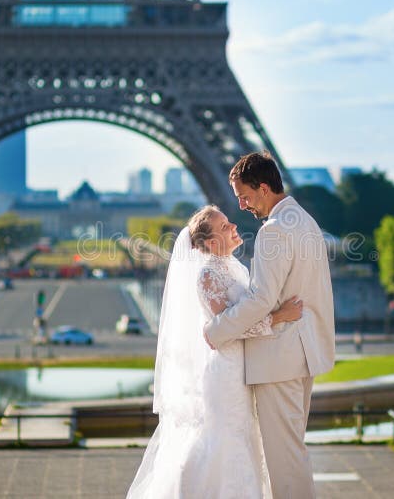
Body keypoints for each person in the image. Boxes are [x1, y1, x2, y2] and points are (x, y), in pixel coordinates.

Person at [127, 206, 304, 498]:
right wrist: (280, 316)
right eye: (224, 227)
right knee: (228, 439)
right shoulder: (208, 276)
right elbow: (229, 328)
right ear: (210, 243)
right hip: (227, 373)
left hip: (242, 368)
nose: (233, 226)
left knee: (240, 438)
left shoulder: (235, 267)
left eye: (228, 222)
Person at [204, 152, 335, 499]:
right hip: (303, 352)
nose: (242, 205)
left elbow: (262, 299)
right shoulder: (305, 221)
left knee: (284, 460)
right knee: (291, 451)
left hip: (279, 357)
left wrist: (217, 330)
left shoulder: (273, 231)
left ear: (263, 188)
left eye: (245, 196)